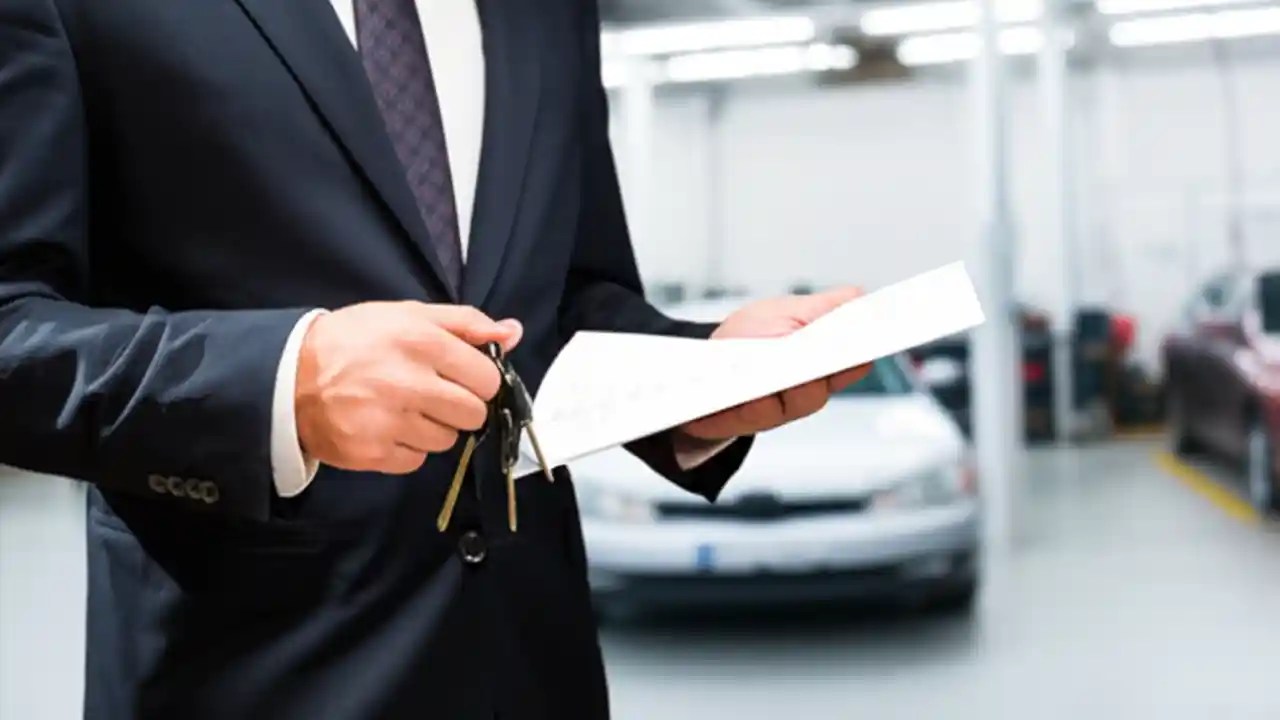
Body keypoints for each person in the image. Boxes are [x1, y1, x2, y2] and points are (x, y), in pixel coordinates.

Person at [0, 0, 868, 718]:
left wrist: (699, 379)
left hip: (536, 668)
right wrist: (283, 381)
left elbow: (567, 297)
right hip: (251, 674)